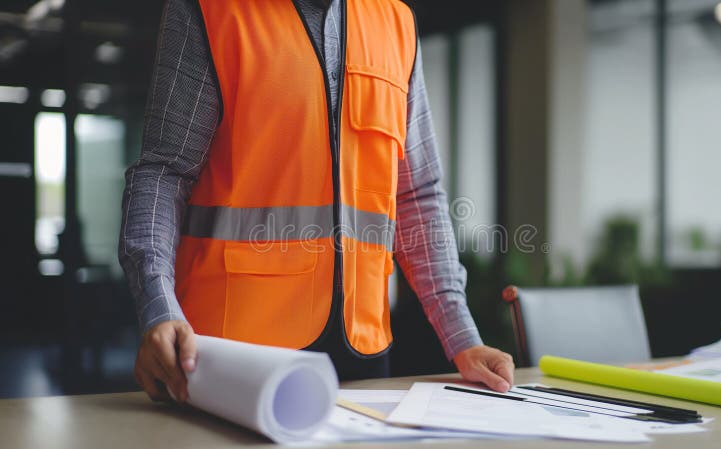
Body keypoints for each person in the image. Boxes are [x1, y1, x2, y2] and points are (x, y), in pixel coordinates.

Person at [119, 0, 514, 404]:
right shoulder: (211, 11)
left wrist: (463, 337)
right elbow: (164, 175)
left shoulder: (395, 23)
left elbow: (417, 193)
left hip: (362, 356)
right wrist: (159, 307)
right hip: (232, 350)